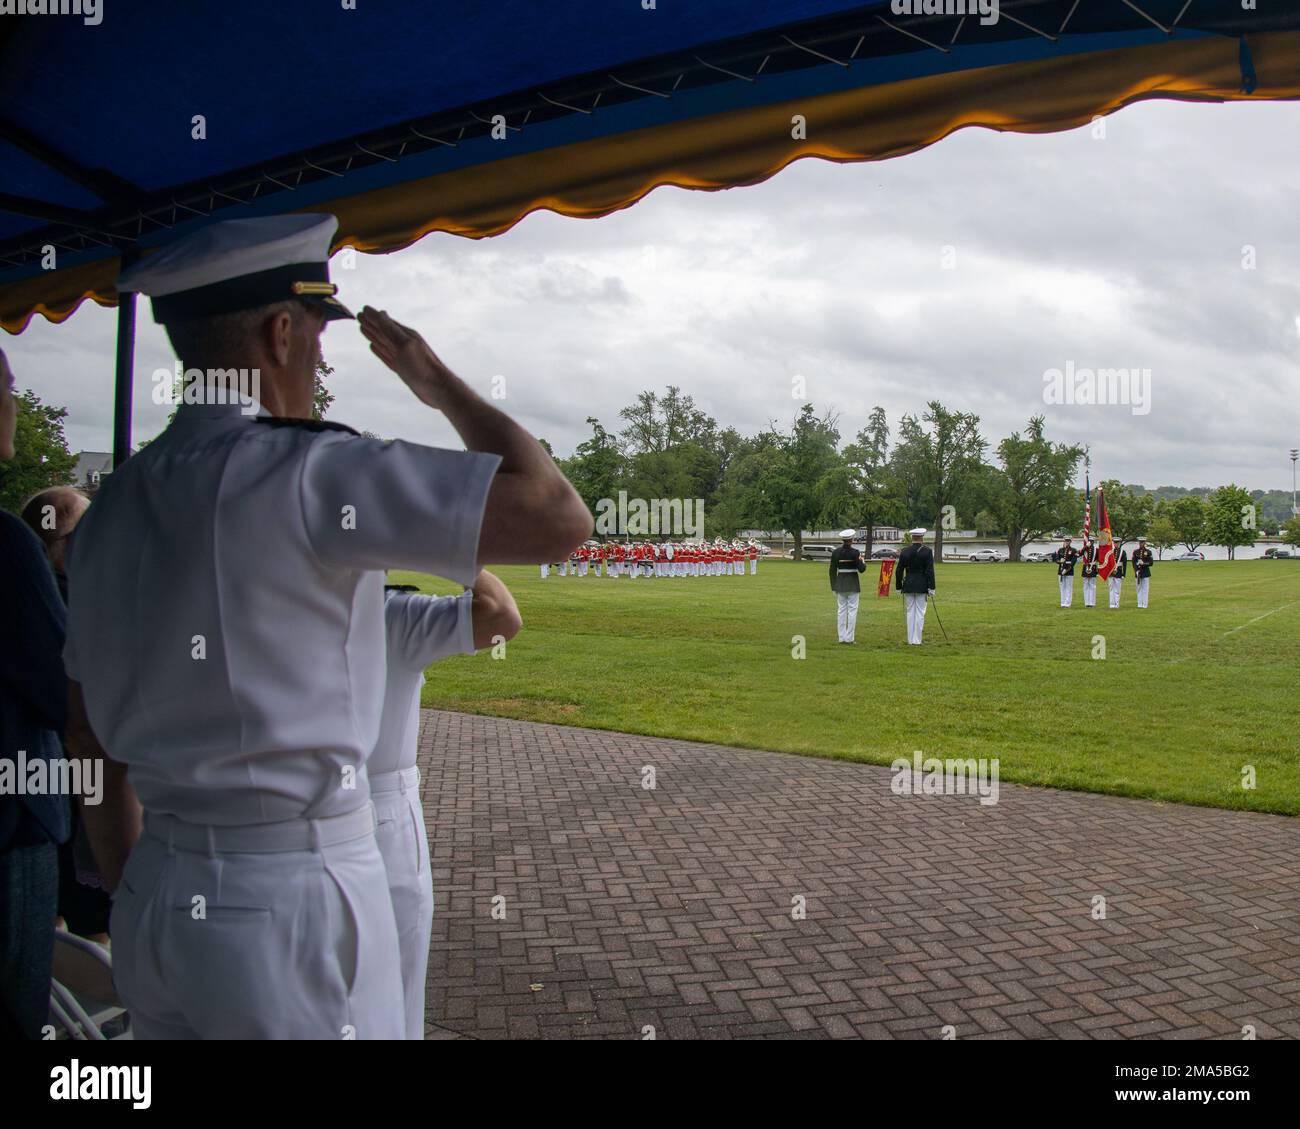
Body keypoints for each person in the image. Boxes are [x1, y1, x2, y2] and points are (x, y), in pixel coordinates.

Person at [64, 214, 591, 1040]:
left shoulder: (109, 510)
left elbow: (86, 731)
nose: (321, 357)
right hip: (290, 895)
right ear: (281, 333)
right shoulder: (307, 469)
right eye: (316, 335)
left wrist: (144, 872)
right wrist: (435, 381)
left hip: (158, 890)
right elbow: (558, 516)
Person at [376, 573, 520, 1038]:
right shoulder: (385, 616)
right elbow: (500, 615)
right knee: (394, 985)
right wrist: (440, 543)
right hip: (380, 817)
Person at [0, 348, 72, 1038]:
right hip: (13, 822)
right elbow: (65, 689)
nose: (15, 400)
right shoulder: (9, 545)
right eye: (10, 387)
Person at [20, 487, 112, 946]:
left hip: (53, 789)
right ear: (60, 543)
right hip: (72, 791)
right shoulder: (65, 605)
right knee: (89, 911)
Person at [895, 527, 936, 645]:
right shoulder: (927, 551)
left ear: (912, 538)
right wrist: (932, 587)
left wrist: (898, 587)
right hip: (921, 585)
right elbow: (930, 571)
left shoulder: (905, 551)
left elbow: (899, 571)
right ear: (922, 537)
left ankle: (910, 639)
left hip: (908, 585)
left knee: (910, 612)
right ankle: (917, 640)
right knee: (920, 613)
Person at [829, 529, 866, 644]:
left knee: (841, 611)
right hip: (853, 584)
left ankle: (841, 638)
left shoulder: (835, 552)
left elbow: (832, 571)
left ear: (843, 540)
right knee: (852, 611)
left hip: (840, 583)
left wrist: (833, 587)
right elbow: (862, 569)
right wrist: (862, 561)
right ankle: (849, 638)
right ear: (852, 539)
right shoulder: (856, 553)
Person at [1053, 537, 1079, 607]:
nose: (1067, 542)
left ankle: (1068, 603)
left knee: (1069, 587)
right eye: (1066, 541)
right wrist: (1059, 561)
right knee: (1062, 587)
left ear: (1070, 542)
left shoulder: (1073, 550)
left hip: (1069, 571)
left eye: (1068, 541)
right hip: (1060, 570)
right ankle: (1063, 602)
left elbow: (1074, 561)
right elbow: (1056, 559)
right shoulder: (1060, 550)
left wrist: (1067, 566)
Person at [1133, 537, 1154, 608]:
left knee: (1145, 589)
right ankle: (1139, 604)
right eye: (1140, 542)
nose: (1141, 544)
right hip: (1138, 572)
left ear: (1145, 543)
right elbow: (1133, 563)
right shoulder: (1135, 552)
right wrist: (1136, 571)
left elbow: (1151, 563)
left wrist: (1144, 564)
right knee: (1138, 588)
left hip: (1145, 572)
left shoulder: (1148, 552)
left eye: (1142, 542)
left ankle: (1145, 604)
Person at [1080, 539, 1099, 608]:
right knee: (1085, 585)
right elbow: (1079, 553)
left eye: (1092, 541)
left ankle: (1092, 602)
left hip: (1093, 567)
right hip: (1085, 567)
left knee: (1092, 586)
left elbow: (1099, 560)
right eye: (1089, 541)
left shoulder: (1097, 550)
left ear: (1094, 542)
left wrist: (1098, 571)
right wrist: (1085, 547)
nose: (1090, 542)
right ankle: (1087, 602)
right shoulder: (1085, 549)